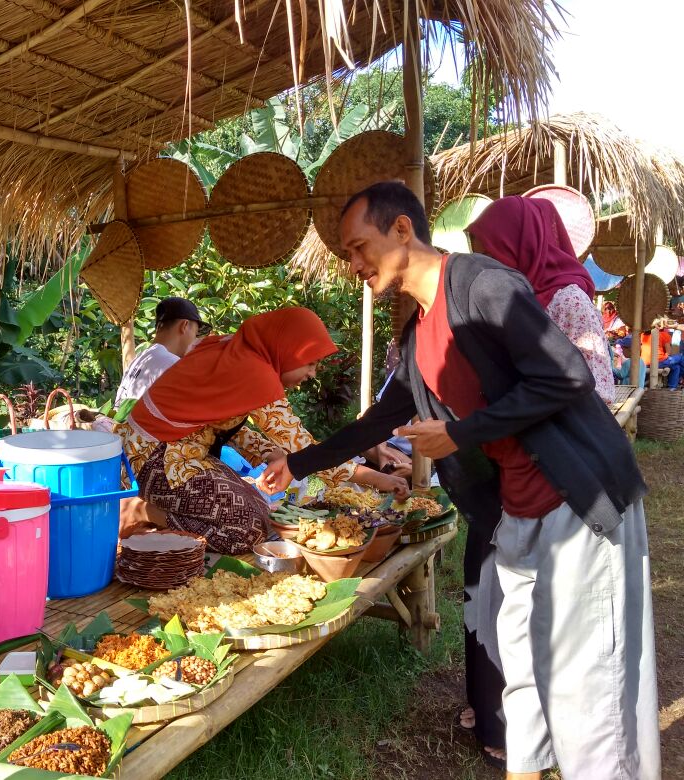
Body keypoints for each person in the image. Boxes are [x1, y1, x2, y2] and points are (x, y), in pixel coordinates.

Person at [261, 182, 659, 780]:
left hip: (577, 502)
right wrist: (299, 462)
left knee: (589, 686)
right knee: (520, 670)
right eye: (347, 253)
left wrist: (462, 432)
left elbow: (567, 377)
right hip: (516, 512)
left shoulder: (483, 284)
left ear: (402, 231)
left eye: (358, 246)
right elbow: (379, 419)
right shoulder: (418, 338)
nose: (353, 264)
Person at [116, 307, 409, 555]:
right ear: (288, 350)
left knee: (261, 508)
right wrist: (376, 478)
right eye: (310, 363)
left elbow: (219, 421)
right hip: (157, 458)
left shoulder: (239, 353)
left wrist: (268, 451)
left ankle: (153, 512)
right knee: (246, 530)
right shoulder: (254, 371)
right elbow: (305, 447)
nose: (312, 374)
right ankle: (141, 512)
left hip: (174, 450)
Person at [467, 196, 615, 404]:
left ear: (522, 247)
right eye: (480, 258)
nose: (485, 268)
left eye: (492, 255)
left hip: (561, 430)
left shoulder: (569, 302)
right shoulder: (509, 299)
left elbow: (598, 392)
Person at [114, 297, 211, 406]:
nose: (195, 340)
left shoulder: (142, 358)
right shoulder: (171, 364)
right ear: (184, 326)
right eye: (195, 333)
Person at [618, 321, 684, 389]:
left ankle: (673, 388)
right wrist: (666, 357)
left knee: (676, 367)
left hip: (644, 362)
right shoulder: (664, 335)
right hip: (659, 361)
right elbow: (668, 352)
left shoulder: (642, 335)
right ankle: (672, 387)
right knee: (681, 357)